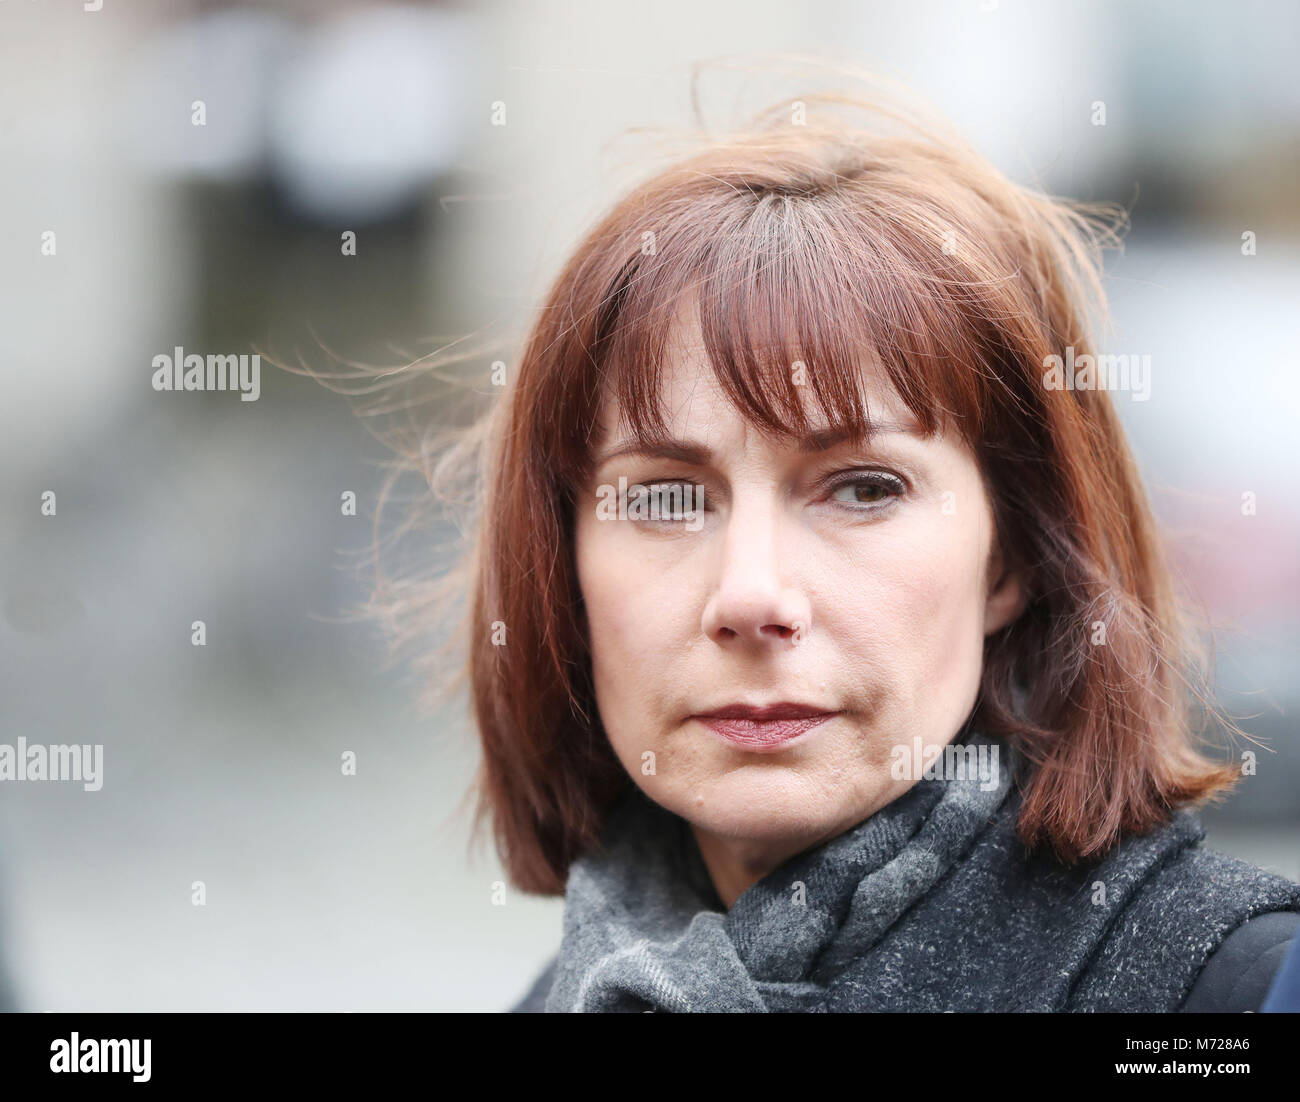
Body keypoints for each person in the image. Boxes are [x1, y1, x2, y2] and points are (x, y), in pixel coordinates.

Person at [383, 86, 1300, 1012]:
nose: (750, 595)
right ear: (562, 565)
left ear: (1012, 557)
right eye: (665, 497)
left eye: (864, 488)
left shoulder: (1233, 996)